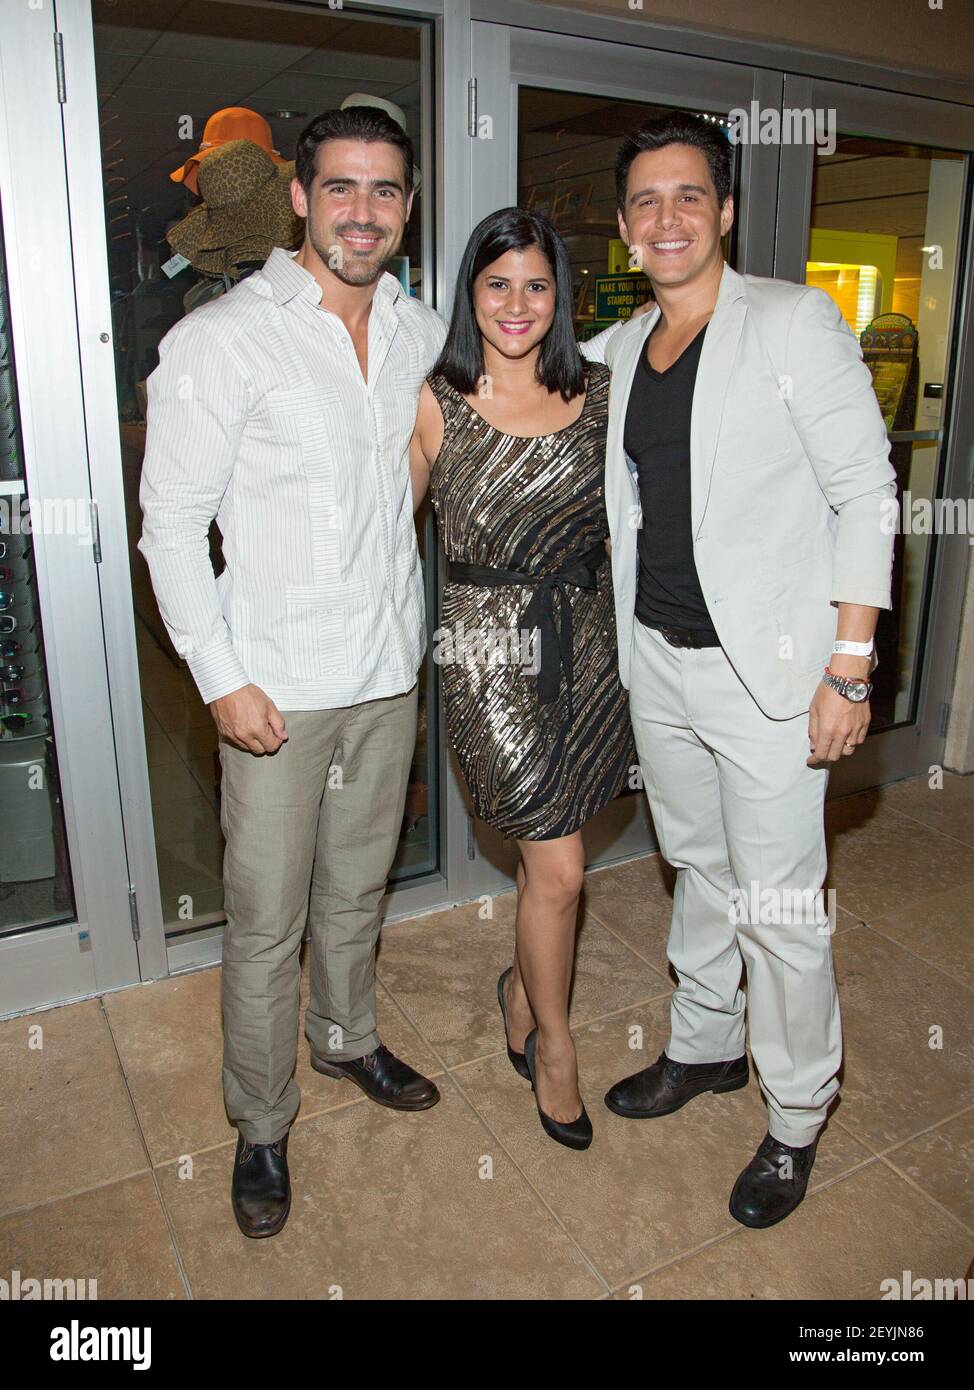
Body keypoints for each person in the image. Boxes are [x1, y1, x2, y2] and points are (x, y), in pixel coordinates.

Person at [139, 106, 447, 1238]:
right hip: (270, 683)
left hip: (383, 667)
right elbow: (169, 526)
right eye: (342, 188)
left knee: (356, 889)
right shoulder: (225, 338)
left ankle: (348, 1036)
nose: (363, 210)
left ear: (404, 209)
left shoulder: (416, 329)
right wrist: (219, 674)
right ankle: (261, 1122)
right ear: (301, 199)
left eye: (385, 191)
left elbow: (409, 474)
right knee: (267, 920)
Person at [596, 111, 897, 1226]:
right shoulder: (623, 349)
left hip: (769, 674)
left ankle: (794, 1115)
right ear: (624, 228)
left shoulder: (790, 322)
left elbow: (865, 493)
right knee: (696, 866)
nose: (664, 217)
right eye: (643, 201)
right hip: (659, 665)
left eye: (686, 196)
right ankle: (704, 1044)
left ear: (722, 212)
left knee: (778, 904)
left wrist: (849, 666)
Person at [408, 207, 637, 1150]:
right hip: (489, 654)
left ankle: (518, 990)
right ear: (470, 293)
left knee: (552, 872)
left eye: (536, 285)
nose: (516, 303)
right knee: (561, 863)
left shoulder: (605, 392)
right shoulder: (435, 401)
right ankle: (555, 1044)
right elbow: (376, 530)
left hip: (589, 648)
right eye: (497, 283)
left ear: (561, 295)